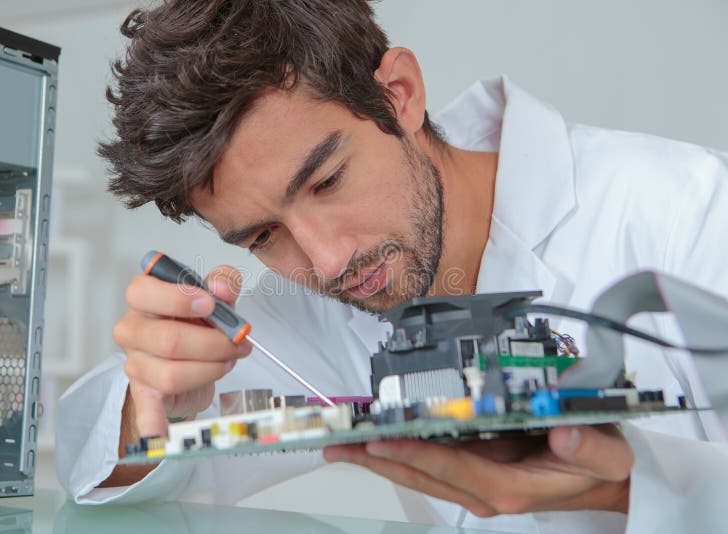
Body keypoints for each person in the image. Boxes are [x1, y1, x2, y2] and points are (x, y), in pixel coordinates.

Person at [56, 1, 728, 532]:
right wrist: (157, 396)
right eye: (263, 235)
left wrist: (625, 488)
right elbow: (102, 470)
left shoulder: (690, 209)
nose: (326, 259)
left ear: (399, 93)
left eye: (327, 180)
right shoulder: (311, 306)